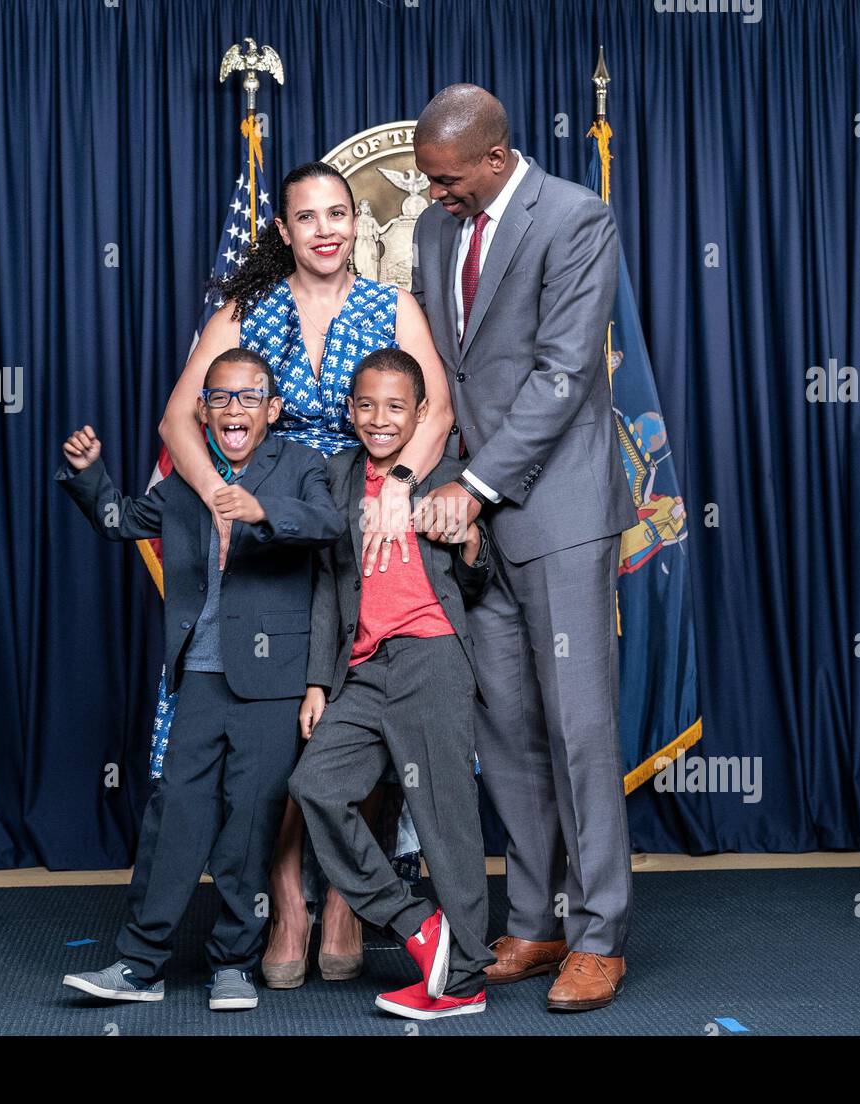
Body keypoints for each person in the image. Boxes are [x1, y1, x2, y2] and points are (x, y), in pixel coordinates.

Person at [156, 162, 455, 987]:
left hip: (365, 518)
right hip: (275, 524)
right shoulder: (249, 311)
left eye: (338, 213)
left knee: (364, 702)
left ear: (356, 221)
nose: (324, 229)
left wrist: (397, 487)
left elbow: (439, 410)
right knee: (285, 714)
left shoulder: (392, 306)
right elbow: (179, 414)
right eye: (306, 217)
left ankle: (347, 899)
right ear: (282, 230)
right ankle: (286, 896)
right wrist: (218, 491)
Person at [410, 84, 637, 1012]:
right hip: (473, 526)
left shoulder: (578, 219)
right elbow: (446, 369)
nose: (435, 197)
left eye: (449, 180)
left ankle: (600, 934)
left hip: (558, 512)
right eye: (428, 182)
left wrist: (472, 483)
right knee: (505, 734)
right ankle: (537, 922)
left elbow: (562, 371)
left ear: (497, 158)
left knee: (578, 731)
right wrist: (440, 486)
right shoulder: (433, 233)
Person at [58, 349, 344, 1011]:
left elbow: (329, 525)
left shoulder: (299, 467)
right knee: (175, 817)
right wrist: (87, 475)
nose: (234, 408)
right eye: (221, 397)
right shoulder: (186, 482)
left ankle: (234, 964)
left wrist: (264, 512)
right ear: (204, 410)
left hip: (273, 681)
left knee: (251, 822)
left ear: (273, 410)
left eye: (250, 397)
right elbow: (122, 522)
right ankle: (139, 963)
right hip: (203, 677)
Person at [289, 348, 494, 1020]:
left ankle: (463, 980)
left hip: (433, 656)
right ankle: (417, 923)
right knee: (315, 786)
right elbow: (327, 584)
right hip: (363, 670)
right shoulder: (339, 474)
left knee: (444, 817)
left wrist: (467, 541)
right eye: (367, 405)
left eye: (396, 406)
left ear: (420, 412)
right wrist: (320, 681)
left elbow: (475, 577)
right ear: (350, 411)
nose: (380, 419)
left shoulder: (447, 472)